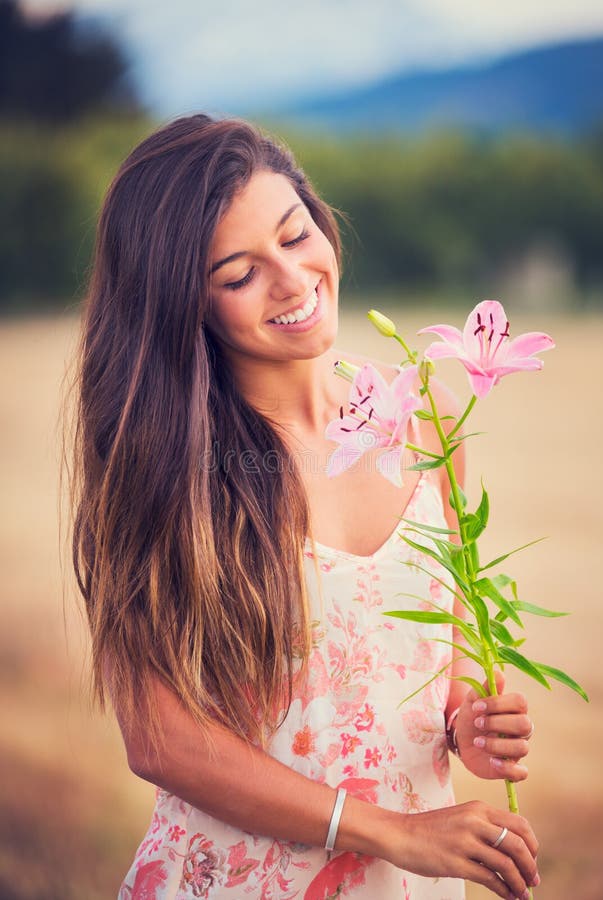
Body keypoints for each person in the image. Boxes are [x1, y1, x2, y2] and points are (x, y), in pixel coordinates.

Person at [69, 114, 540, 899]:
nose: (291, 280)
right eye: (237, 273)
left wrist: (470, 727)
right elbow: (157, 739)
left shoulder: (428, 426)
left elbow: (442, 672)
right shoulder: (174, 468)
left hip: (411, 879)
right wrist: (391, 831)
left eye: (294, 236)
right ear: (184, 303)